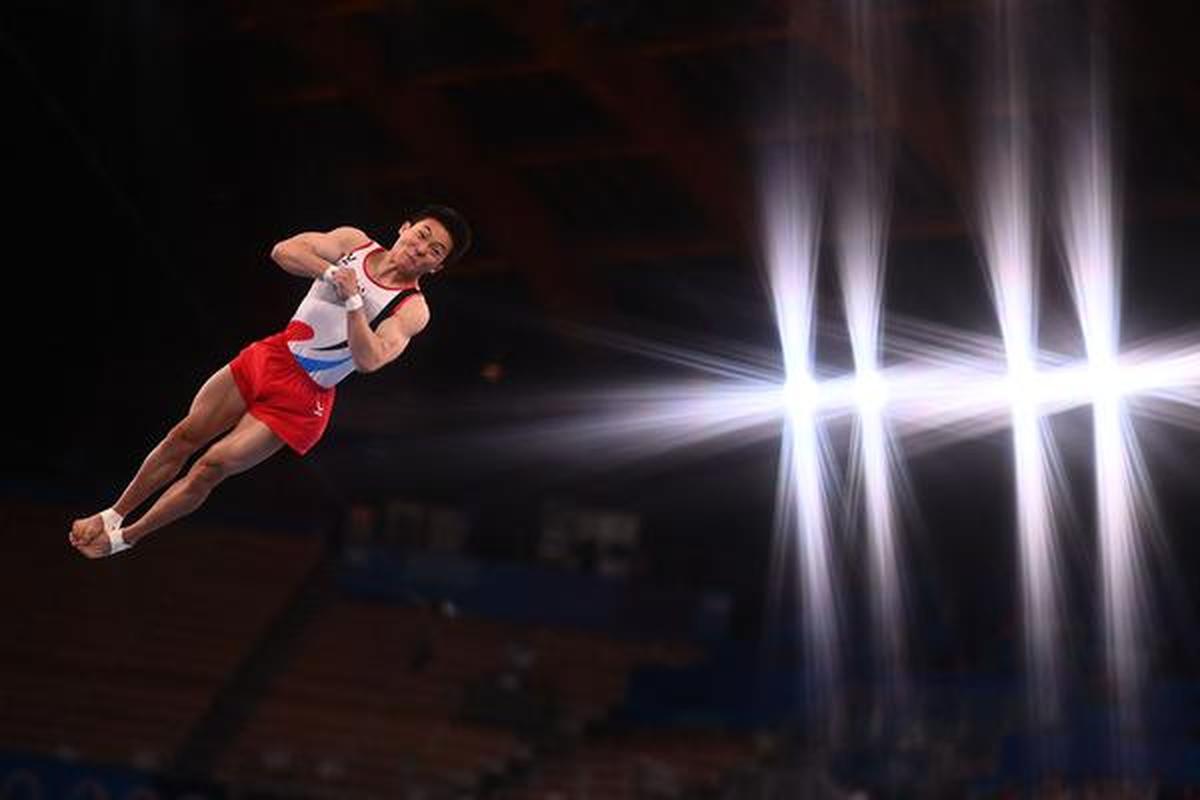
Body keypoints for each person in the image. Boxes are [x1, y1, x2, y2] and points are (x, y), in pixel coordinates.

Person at [69, 205, 471, 558]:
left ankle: (126, 538)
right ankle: (112, 514)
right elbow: (284, 251)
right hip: (272, 356)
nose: (421, 248)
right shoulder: (354, 242)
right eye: (422, 235)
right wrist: (333, 272)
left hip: (303, 397)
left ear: (435, 268)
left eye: (435, 251)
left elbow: (369, 360)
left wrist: (353, 302)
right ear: (404, 228)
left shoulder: (412, 308)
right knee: (184, 436)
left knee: (211, 466)